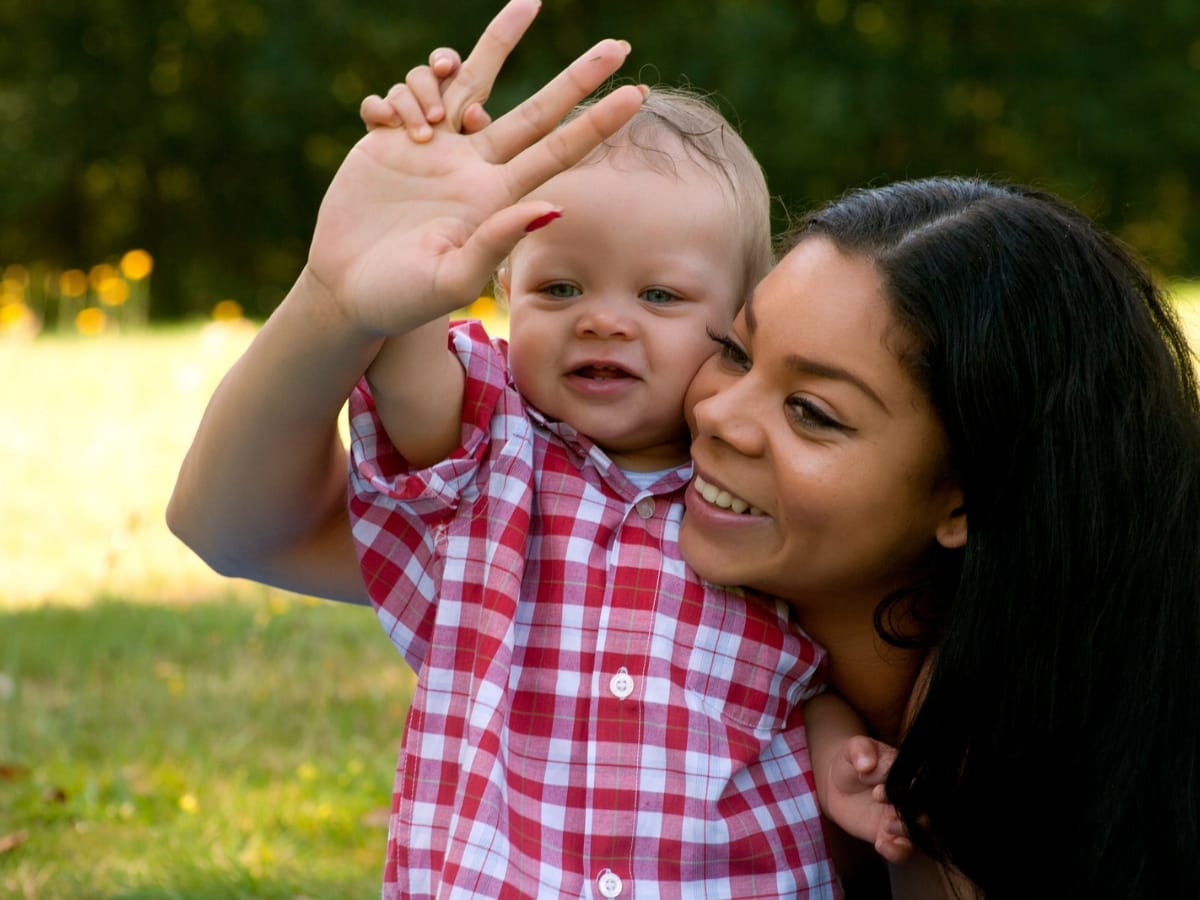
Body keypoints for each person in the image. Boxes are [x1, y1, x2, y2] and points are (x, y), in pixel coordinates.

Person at [168, 2, 902, 896]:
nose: (602, 317)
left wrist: (836, 756)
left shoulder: (751, 498)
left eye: (662, 296)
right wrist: (388, 277)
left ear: (737, 320)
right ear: (505, 289)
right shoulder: (495, 443)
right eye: (558, 286)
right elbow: (415, 379)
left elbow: (791, 684)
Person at [678, 177, 1200, 897]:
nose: (717, 416)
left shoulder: (1000, 795)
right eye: (734, 351)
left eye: (811, 411)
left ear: (966, 502)